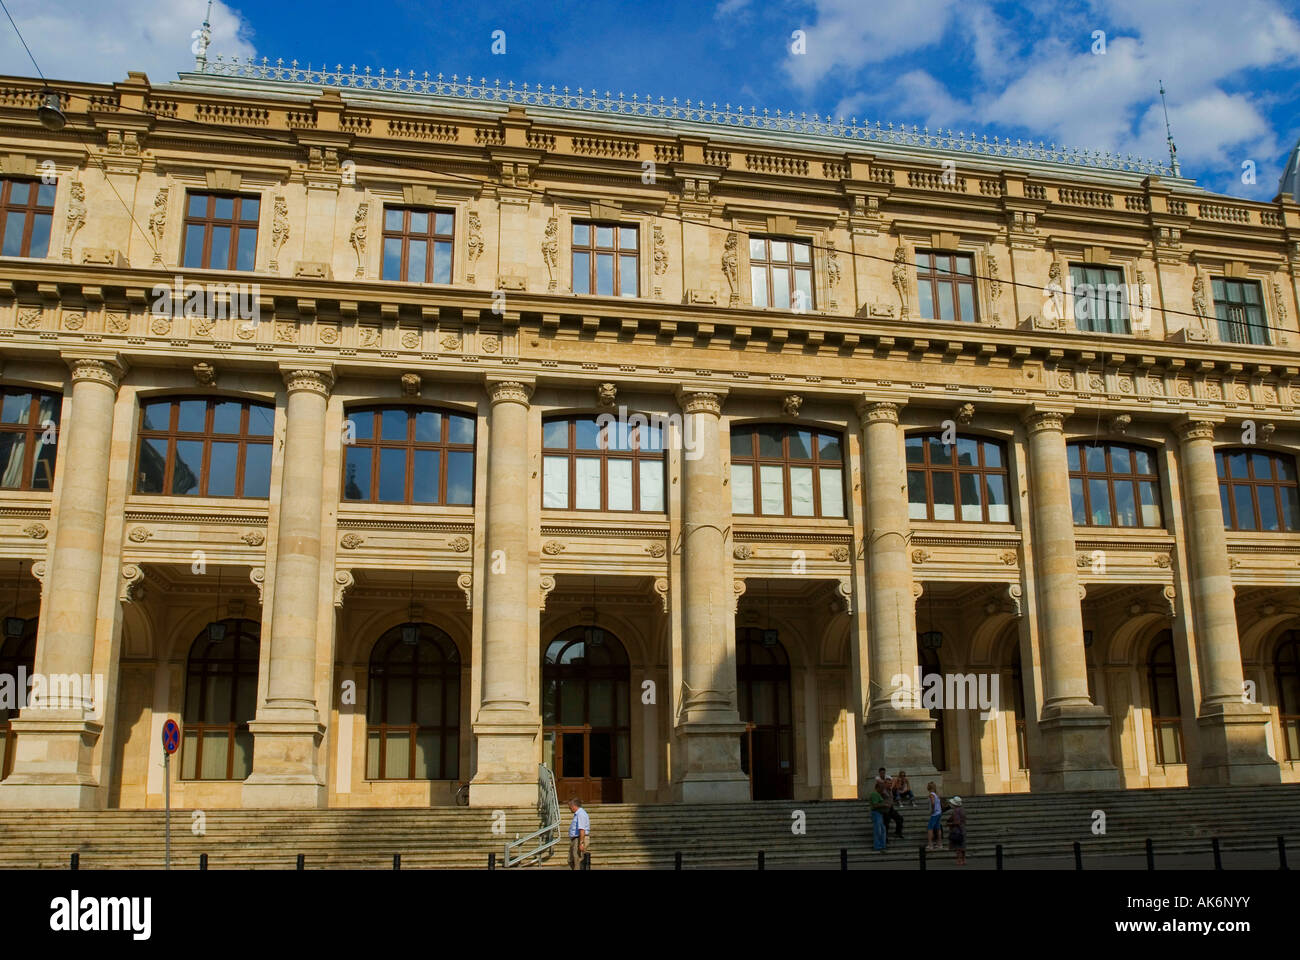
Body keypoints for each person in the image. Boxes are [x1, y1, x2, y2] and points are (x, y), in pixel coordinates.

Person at [567, 797, 590, 869]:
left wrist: (581, 843)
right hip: (575, 839)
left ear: (574, 806)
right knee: (570, 860)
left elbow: (582, 829)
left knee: (577, 861)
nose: (569, 808)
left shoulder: (581, 814)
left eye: (569, 807)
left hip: (579, 839)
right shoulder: (578, 814)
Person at [868, 783, 888, 852]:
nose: (883, 789)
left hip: (879, 814)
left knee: (882, 830)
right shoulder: (874, 794)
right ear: (877, 788)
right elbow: (875, 805)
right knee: (878, 830)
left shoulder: (878, 794)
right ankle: (877, 846)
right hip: (876, 813)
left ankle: (882, 845)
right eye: (881, 787)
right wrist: (884, 804)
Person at [947, 796, 966, 866]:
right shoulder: (962, 810)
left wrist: (949, 824)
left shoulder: (955, 811)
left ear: (954, 804)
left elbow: (957, 822)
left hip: (957, 830)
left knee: (958, 847)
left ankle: (959, 860)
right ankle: (963, 860)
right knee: (963, 846)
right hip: (962, 829)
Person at [925, 781, 943, 851]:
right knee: (938, 828)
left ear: (928, 787)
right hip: (939, 813)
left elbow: (932, 803)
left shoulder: (931, 794)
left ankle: (930, 844)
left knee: (930, 828)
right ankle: (939, 844)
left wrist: (932, 810)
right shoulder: (936, 794)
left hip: (935, 813)